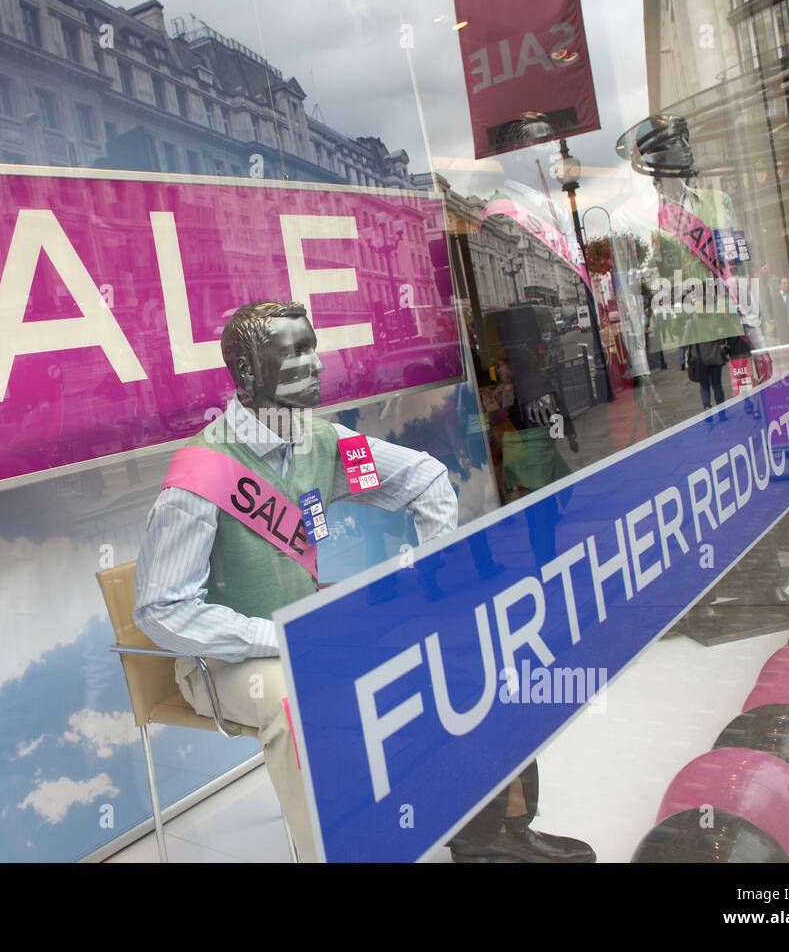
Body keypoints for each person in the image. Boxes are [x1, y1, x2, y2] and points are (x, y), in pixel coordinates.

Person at [133, 300, 595, 863]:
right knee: (296, 704)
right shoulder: (199, 473)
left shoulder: (319, 444)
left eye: (313, 348)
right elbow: (161, 609)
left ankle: (493, 836)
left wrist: (434, 581)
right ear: (250, 374)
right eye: (295, 354)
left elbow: (425, 480)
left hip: (311, 635)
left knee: (471, 645)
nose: (318, 365)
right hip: (225, 664)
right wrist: (277, 640)